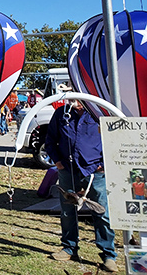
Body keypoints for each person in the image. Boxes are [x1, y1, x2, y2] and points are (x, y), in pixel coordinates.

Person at [45, 99, 117, 272]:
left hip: (94, 171)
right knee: (67, 211)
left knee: (101, 212)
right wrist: (57, 161)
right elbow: (50, 139)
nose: (74, 102)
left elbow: (113, 139)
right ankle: (69, 248)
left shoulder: (99, 112)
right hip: (68, 170)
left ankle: (108, 255)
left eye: (77, 98)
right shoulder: (61, 114)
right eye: (71, 98)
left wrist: (104, 164)